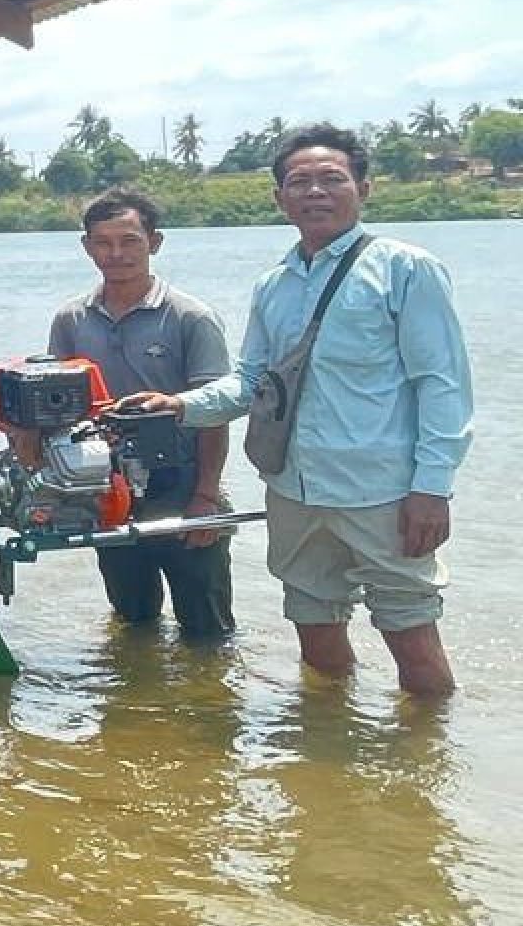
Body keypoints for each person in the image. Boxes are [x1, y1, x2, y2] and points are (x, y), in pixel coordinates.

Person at [124, 125, 472, 696]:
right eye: (300, 182)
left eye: (332, 179)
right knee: (313, 626)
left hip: (381, 491)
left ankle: (426, 763)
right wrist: (179, 404)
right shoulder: (274, 285)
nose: (316, 192)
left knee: (411, 630)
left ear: (364, 188)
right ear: (279, 198)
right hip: (293, 489)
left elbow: (443, 386)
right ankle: (331, 741)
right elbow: (252, 382)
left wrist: (432, 488)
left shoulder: (406, 269)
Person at [31, 189, 235, 640]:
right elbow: (55, 410)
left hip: (182, 483)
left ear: (155, 242)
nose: (116, 254)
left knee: (208, 628)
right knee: (131, 619)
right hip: (106, 486)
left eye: (130, 241)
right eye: (103, 243)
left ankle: (208, 705)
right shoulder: (71, 319)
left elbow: (216, 411)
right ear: (87, 247)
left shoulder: (190, 317)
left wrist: (206, 496)